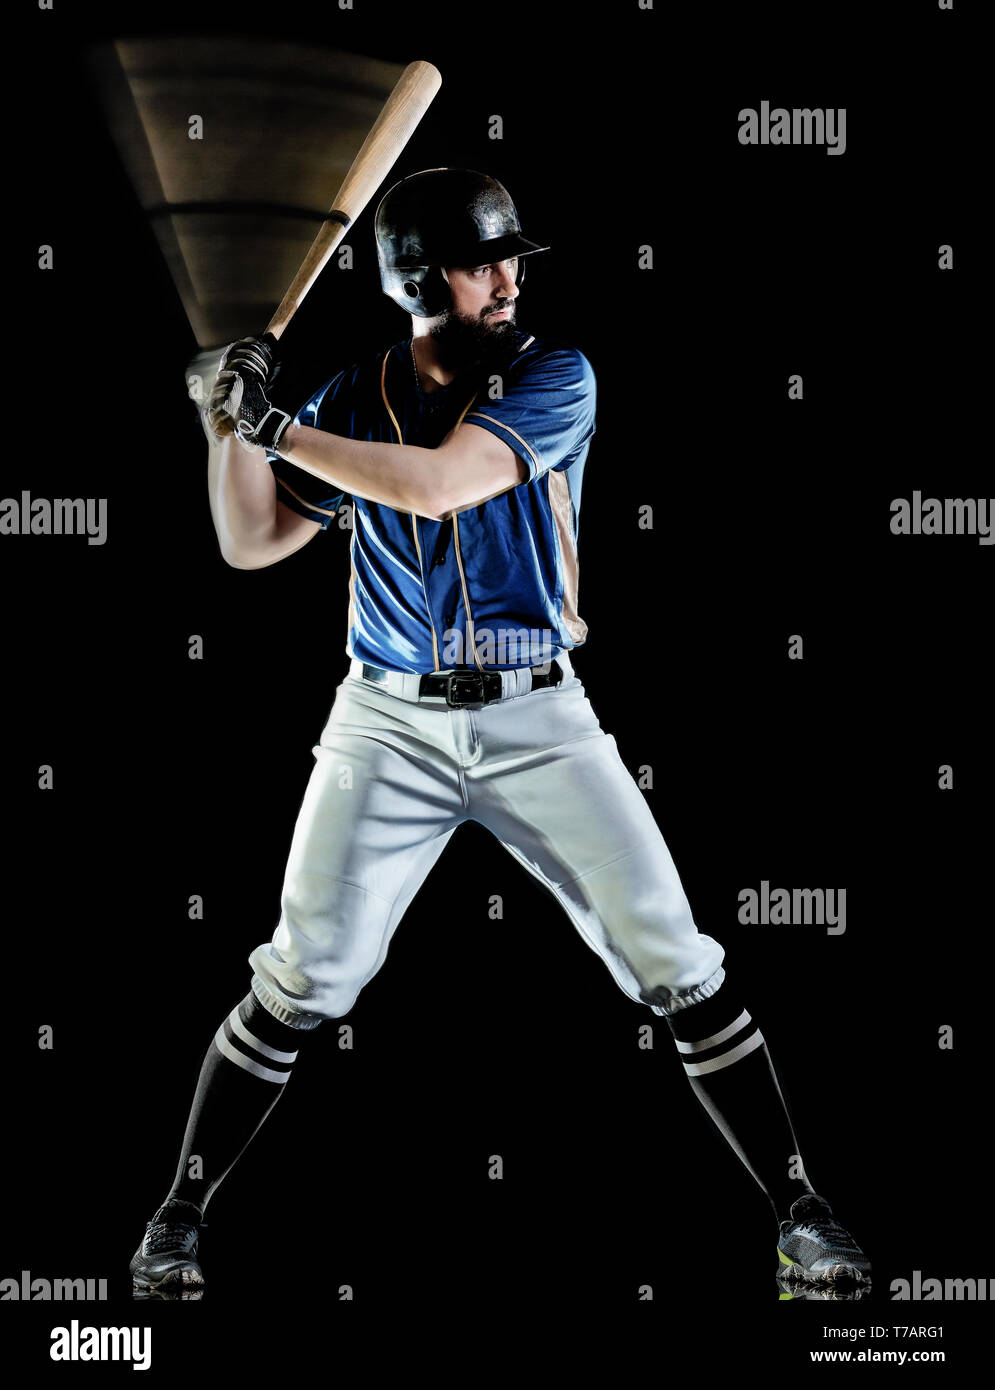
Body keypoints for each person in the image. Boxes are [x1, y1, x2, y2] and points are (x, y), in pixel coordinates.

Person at [130, 168, 869, 1293]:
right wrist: (221, 428)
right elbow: (250, 542)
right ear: (421, 278)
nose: (509, 279)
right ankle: (177, 1213)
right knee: (300, 978)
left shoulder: (551, 373)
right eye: (484, 262)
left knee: (675, 957)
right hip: (386, 717)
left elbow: (435, 486)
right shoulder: (350, 394)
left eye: (510, 258)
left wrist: (272, 423)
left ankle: (798, 1208)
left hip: (538, 708)